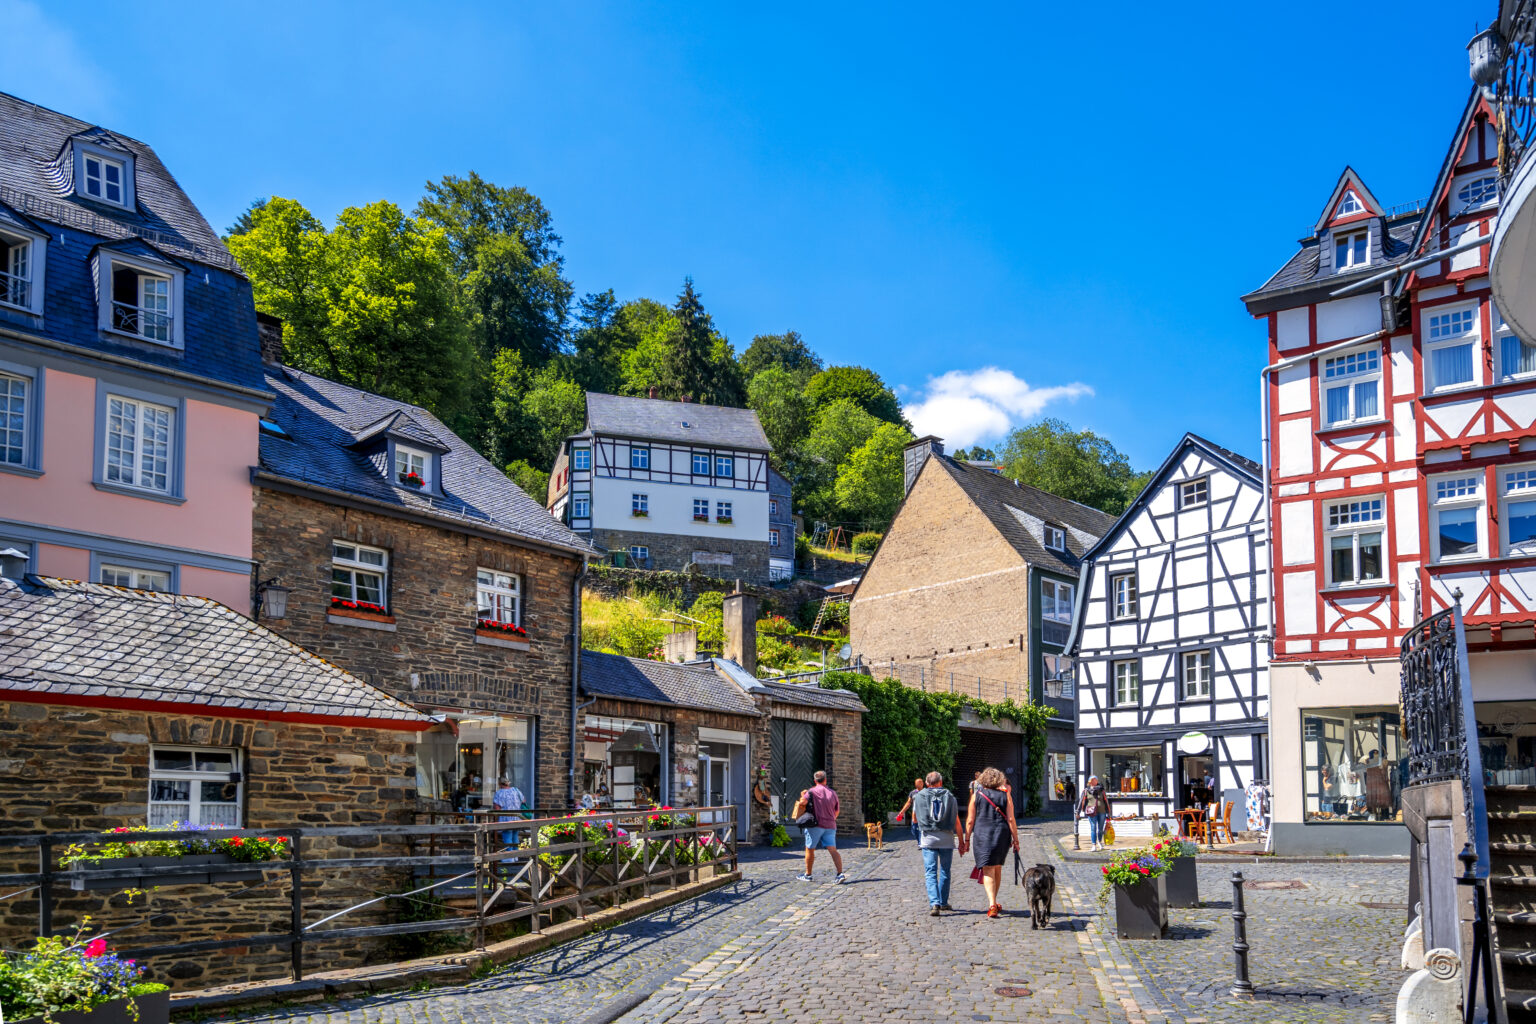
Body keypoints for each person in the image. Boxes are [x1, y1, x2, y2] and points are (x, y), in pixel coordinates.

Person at [962, 767, 1020, 918]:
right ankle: (994, 901)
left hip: (982, 834)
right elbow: (1011, 819)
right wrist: (1016, 839)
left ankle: (992, 904)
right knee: (997, 867)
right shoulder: (1005, 795)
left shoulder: (977, 795)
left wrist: (967, 840)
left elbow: (970, 820)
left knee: (987, 868)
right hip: (1001, 834)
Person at [913, 771, 958, 916]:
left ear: (927, 783)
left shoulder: (919, 796)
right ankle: (943, 902)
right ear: (941, 782)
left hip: (928, 838)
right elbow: (956, 819)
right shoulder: (950, 796)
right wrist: (963, 841)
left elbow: (914, 819)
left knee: (930, 872)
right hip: (946, 838)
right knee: (945, 871)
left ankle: (934, 903)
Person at [794, 770, 846, 883]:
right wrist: (831, 819)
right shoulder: (833, 793)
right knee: (833, 850)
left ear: (815, 780)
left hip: (815, 825)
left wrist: (803, 794)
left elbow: (802, 802)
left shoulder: (811, 792)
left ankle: (808, 875)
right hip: (831, 825)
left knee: (810, 849)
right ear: (825, 780)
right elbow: (837, 811)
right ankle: (840, 874)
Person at [492, 776, 526, 847]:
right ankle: (515, 856)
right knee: (515, 836)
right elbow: (523, 800)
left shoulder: (500, 793)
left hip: (506, 819)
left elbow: (497, 808)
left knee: (507, 837)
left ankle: (509, 857)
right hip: (517, 818)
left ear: (500, 784)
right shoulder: (516, 790)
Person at [1079, 775, 1109, 850]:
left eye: (1095, 780)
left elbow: (1106, 801)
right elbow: (1082, 801)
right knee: (1093, 828)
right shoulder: (1086, 791)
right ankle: (1093, 845)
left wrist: (1108, 812)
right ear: (1089, 782)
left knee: (1100, 828)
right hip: (1091, 812)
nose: (1094, 781)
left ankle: (1099, 842)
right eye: (1092, 780)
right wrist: (1079, 812)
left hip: (1102, 811)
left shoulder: (1101, 790)